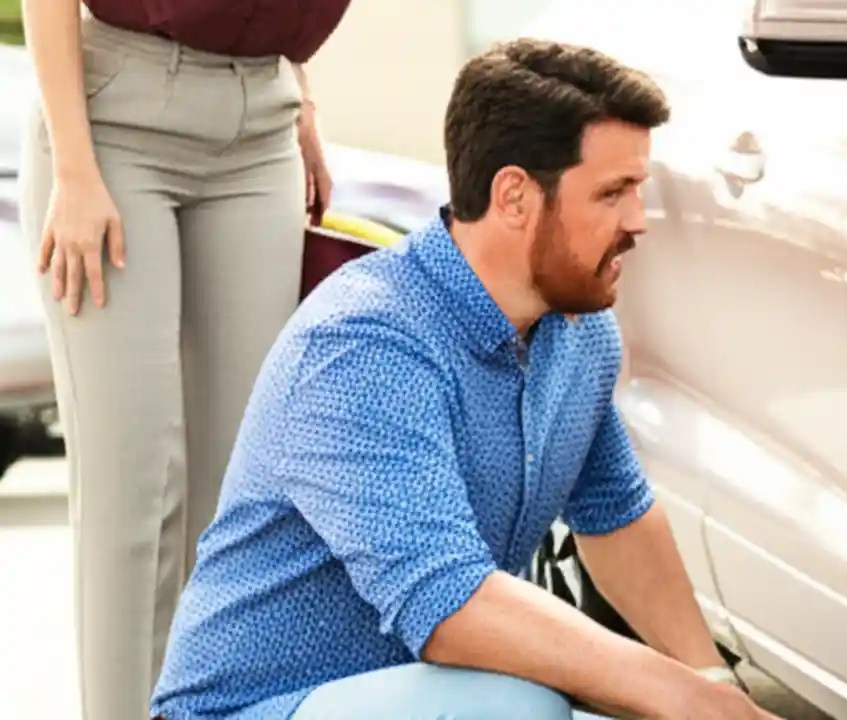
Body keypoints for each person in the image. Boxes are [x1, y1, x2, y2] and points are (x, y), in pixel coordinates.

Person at [147, 37, 783, 720]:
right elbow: (449, 606)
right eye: (612, 193)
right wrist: (679, 700)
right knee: (515, 707)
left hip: (431, 697)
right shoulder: (365, 345)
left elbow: (616, 514)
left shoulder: (579, 332)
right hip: (258, 708)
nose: (637, 221)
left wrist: (713, 686)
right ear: (514, 195)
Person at [16, 2, 350, 719]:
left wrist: (303, 96)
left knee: (241, 500)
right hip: (115, 128)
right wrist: (74, 169)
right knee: (132, 493)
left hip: (262, 130)